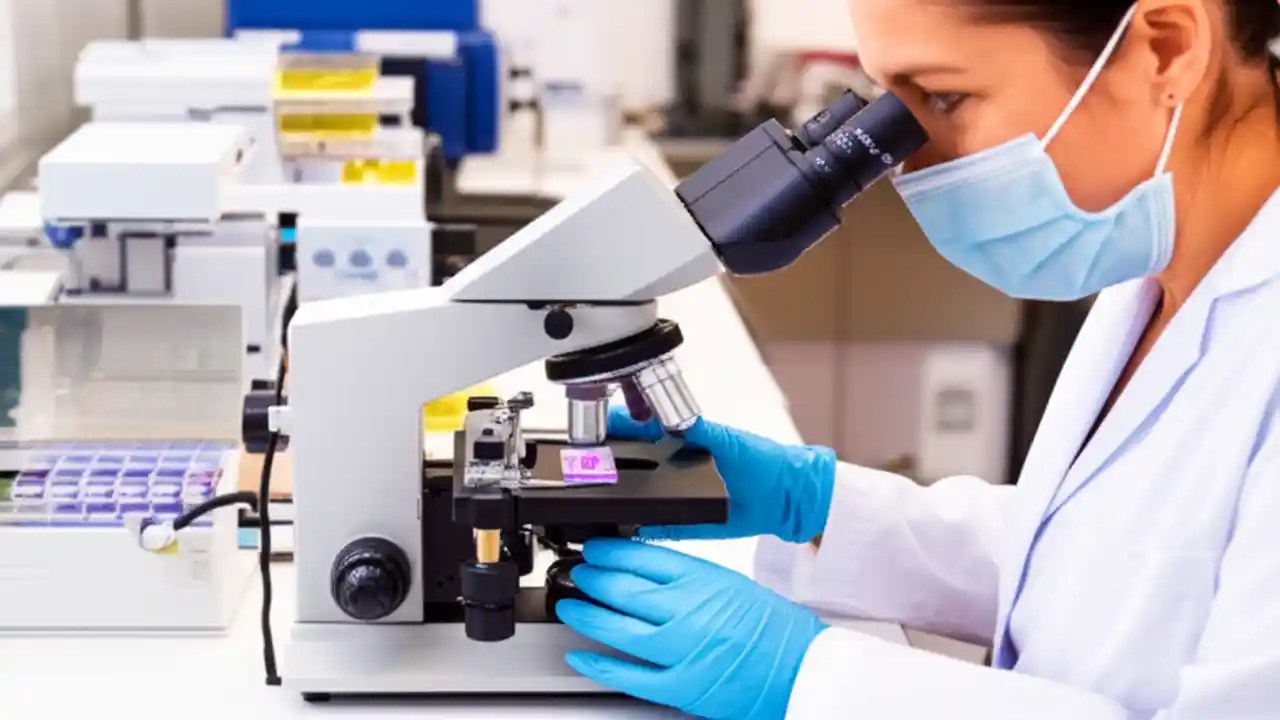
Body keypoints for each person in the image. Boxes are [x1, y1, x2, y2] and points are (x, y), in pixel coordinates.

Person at [554, 0, 1280, 717]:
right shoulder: (1161, 269)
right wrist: (814, 506)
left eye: (944, 96)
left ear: (1165, 47)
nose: (903, 160)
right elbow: (1105, 563)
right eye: (888, 103)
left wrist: (814, 682)